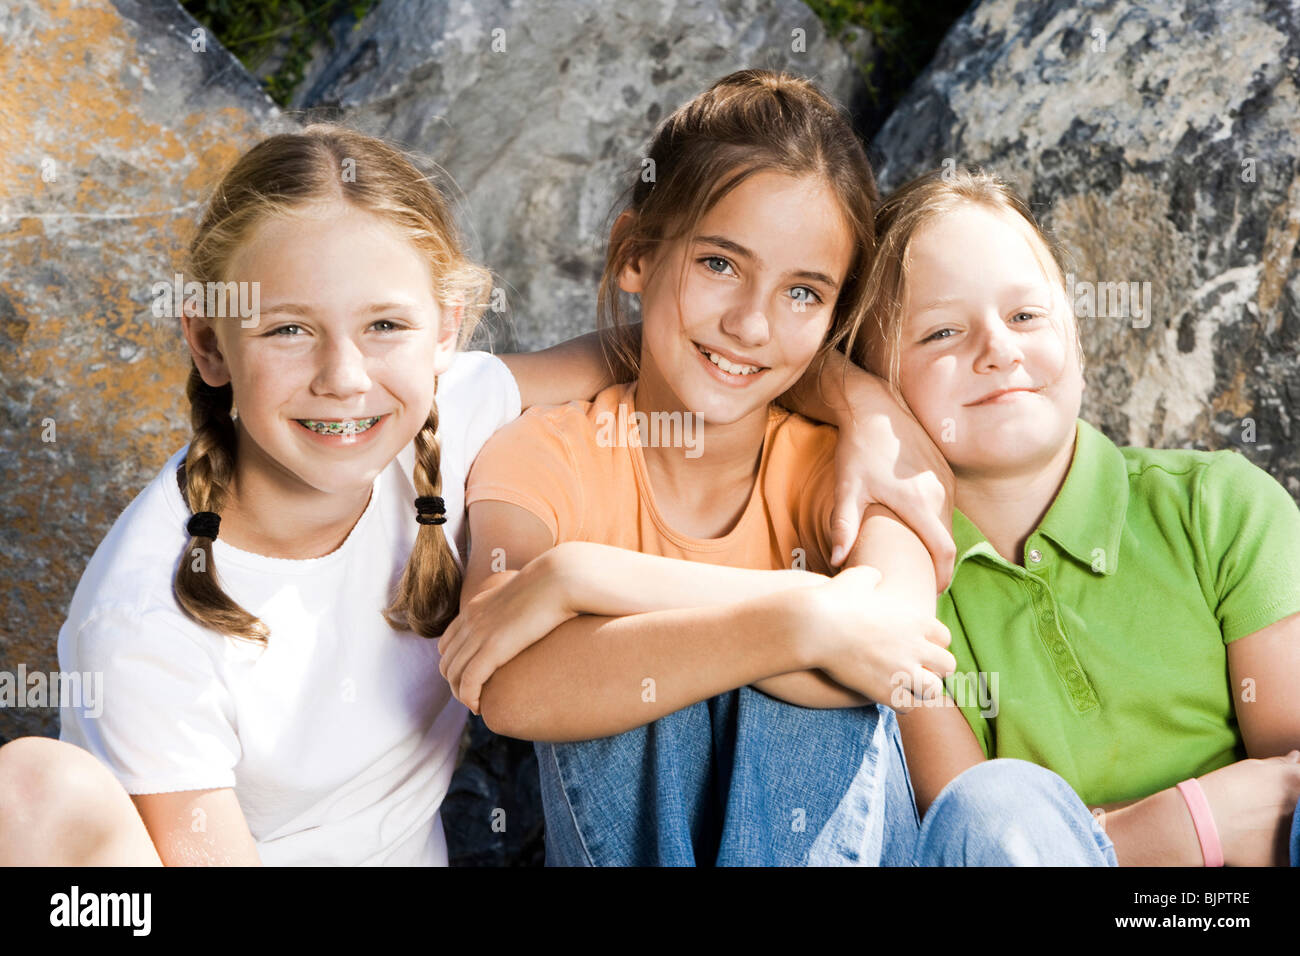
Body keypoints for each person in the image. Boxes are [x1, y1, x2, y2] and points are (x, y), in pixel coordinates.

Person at [0, 124, 951, 866]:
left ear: (445, 329)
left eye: (384, 325)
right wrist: (800, 610)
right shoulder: (146, 618)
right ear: (210, 344)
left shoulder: (439, 415)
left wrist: (865, 407)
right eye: (289, 330)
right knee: (32, 786)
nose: (343, 377)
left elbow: (686, 351)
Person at [443, 71, 1116, 866]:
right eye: (720, 265)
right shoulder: (540, 456)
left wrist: (580, 578)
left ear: (833, 317)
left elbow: (893, 645)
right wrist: (806, 618)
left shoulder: (850, 469)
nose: (752, 322)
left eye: (804, 291)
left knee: (691, 663)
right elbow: (509, 683)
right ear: (635, 255)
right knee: (641, 681)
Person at [852, 165, 1300, 866]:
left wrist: (1088, 835)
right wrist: (1185, 824)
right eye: (941, 333)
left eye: (1026, 315)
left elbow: (1290, 788)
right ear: (873, 383)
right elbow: (978, 838)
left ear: (1078, 336)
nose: (999, 349)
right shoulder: (906, 587)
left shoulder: (1218, 506)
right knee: (994, 806)